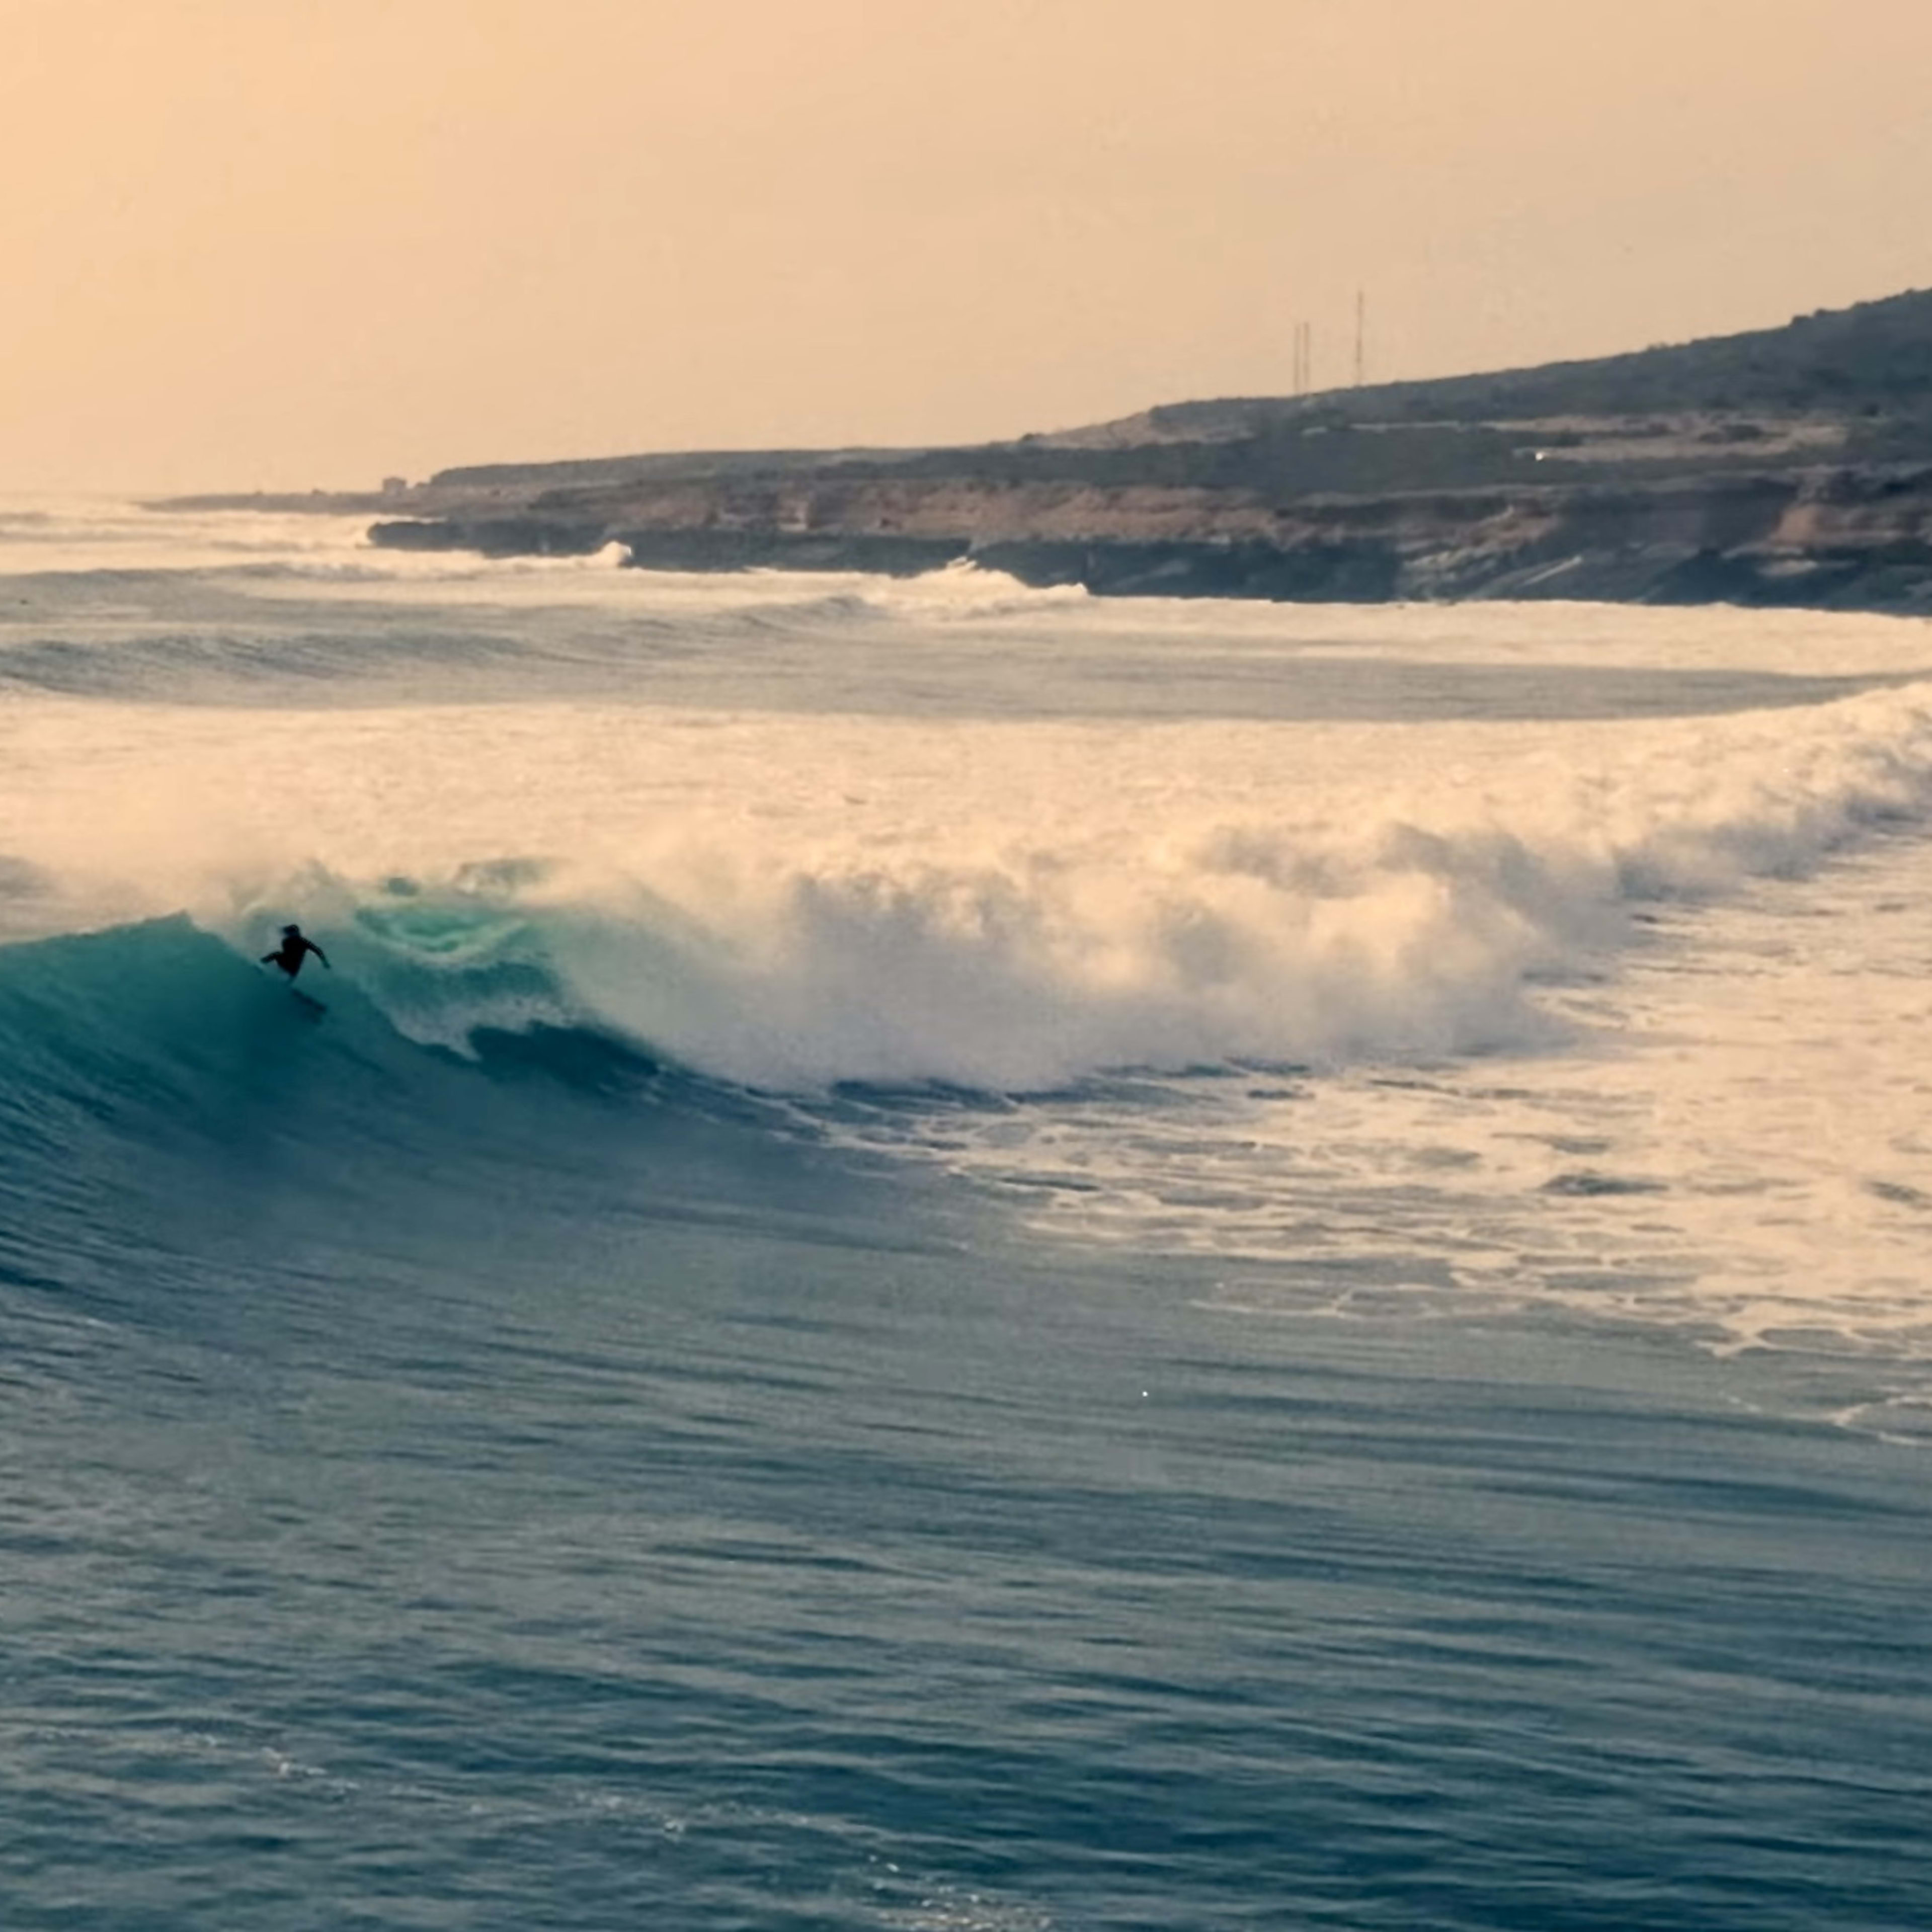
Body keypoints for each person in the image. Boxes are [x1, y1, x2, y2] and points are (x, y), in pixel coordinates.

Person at [262, 923, 330, 982]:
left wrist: (324, 962)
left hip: (294, 967)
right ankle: (262, 965)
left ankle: (286, 982)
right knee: (277, 955)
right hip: (286, 963)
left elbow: (318, 950)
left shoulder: (303, 941)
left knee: (277, 955)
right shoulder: (287, 940)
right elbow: (284, 931)